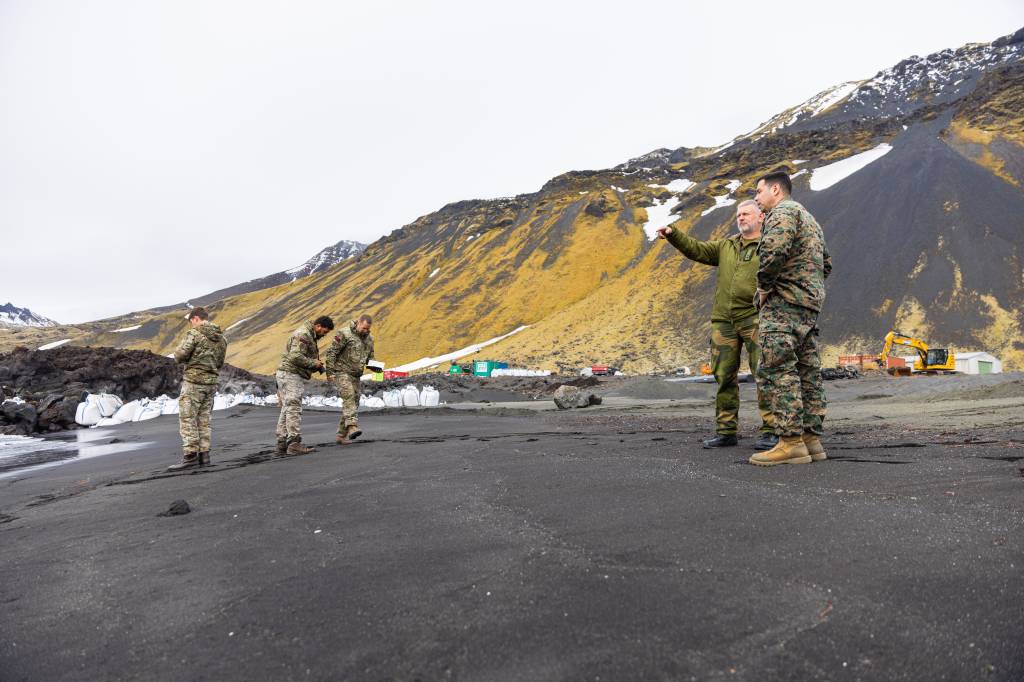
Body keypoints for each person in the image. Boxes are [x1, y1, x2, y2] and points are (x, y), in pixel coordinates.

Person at [657, 200, 777, 450]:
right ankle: (726, 431)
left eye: (746, 214)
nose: (741, 218)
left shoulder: (770, 246)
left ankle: (771, 430)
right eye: (738, 214)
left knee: (764, 375)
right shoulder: (726, 246)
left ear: (761, 218)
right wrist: (673, 234)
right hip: (724, 321)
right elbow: (697, 250)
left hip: (755, 318)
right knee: (723, 376)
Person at [749, 170, 832, 466]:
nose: (756, 198)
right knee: (808, 372)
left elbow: (773, 252)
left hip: (783, 306)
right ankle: (811, 440)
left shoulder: (782, 213)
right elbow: (826, 263)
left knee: (777, 369)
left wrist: (764, 288)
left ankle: (790, 442)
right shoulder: (810, 219)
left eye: (759, 192)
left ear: (775, 190)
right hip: (808, 307)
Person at [168, 307, 227, 471]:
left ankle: (190, 456)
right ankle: (204, 455)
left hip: (194, 382)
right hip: (211, 383)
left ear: (195, 319)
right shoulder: (221, 338)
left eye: (190, 321)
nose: (190, 325)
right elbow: (220, 362)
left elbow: (179, 356)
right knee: (204, 419)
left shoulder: (194, 334)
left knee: (188, 418)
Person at [275, 315, 334, 455]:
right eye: (324, 332)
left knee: (287, 407)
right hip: (291, 374)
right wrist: (314, 363)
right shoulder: (303, 334)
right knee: (294, 406)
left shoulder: (308, 335)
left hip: (286, 373)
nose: (324, 335)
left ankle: (282, 441)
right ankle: (294, 443)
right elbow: (295, 356)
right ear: (318, 326)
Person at [325, 315, 375, 444]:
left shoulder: (369, 339)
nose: (366, 331)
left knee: (354, 402)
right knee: (349, 396)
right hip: (341, 372)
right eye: (364, 328)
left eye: (368, 329)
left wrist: (378, 370)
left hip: (356, 375)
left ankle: (341, 435)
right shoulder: (344, 333)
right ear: (358, 323)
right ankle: (352, 426)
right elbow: (331, 353)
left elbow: (370, 359)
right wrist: (329, 372)